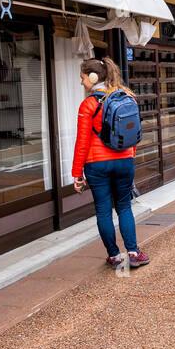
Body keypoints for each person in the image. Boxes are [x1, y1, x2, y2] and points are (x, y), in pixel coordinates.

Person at [71, 58, 149, 269]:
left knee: (104, 211)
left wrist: (77, 174)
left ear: (93, 77)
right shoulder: (128, 97)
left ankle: (115, 256)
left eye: (83, 77)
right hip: (124, 161)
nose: (82, 82)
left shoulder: (88, 104)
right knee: (124, 207)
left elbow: (82, 142)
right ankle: (133, 252)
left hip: (97, 165)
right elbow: (134, 135)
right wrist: (129, 157)